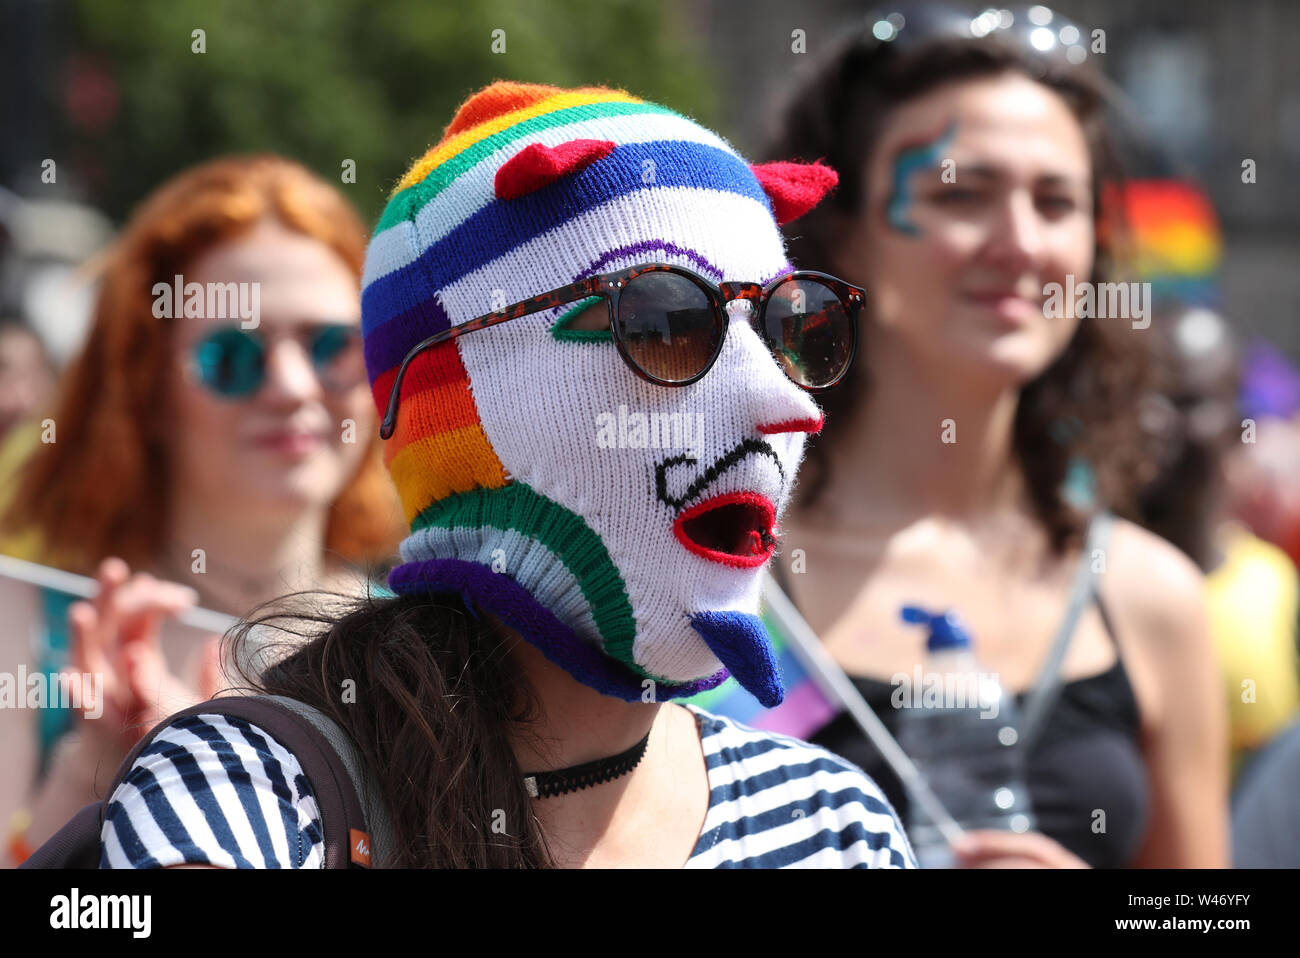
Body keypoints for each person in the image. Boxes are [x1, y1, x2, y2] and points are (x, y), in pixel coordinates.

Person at [92, 80, 916, 869]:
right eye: (665, 319)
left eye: (787, 325)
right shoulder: (251, 792)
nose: (788, 404)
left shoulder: (835, 823)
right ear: (458, 400)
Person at [761, 7, 1228, 867]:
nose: (1019, 245)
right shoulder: (721, 573)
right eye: (959, 194)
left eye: (1057, 202)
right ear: (847, 235)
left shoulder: (1150, 598)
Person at [0, 155, 406, 865]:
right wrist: (93, 769)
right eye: (233, 355)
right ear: (146, 393)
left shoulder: (421, 644)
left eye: (332, 347)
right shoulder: (24, 624)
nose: (290, 387)